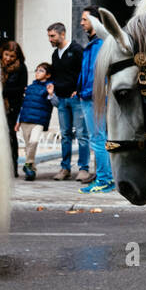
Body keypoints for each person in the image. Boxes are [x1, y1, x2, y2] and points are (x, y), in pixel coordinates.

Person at [78, 6, 114, 194]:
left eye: (85, 19)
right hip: (89, 96)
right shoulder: (94, 43)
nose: (82, 23)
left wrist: (87, 92)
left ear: (96, 21)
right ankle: (106, 177)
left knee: (97, 139)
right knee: (100, 139)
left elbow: (96, 74)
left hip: (94, 98)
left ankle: (105, 180)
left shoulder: (100, 43)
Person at [47, 21, 89, 182]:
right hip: (62, 100)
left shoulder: (76, 50)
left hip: (76, 100)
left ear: (62, 34)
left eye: (52, 36)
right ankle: (65, 168)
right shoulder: (54, 54)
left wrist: (78, 90)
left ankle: (83, 169)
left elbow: (85, 71)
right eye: (49, 36)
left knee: (81, 135)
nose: (50, 39)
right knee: (65, 135)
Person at [15, 61, 52, 180]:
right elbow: (23, 105)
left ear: (48, 75)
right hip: (25, 120)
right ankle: (31, 171)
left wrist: (51, 94)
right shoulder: (29, 88)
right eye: (36, 70)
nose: (37, 72)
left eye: (41, 70)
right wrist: (18, 121)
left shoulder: (50, 86)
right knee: (28, 147)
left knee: (34, 142)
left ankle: (28, 164)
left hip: (39, 121)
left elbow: (53, 102)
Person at [2, 39, 27, 178]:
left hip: (11, 107)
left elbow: (20, 89)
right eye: (6, 55)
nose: (8, 59)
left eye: (12, 56)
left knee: (10, 136)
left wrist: (3, 91)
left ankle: (13, 167)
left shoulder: (21, 68)